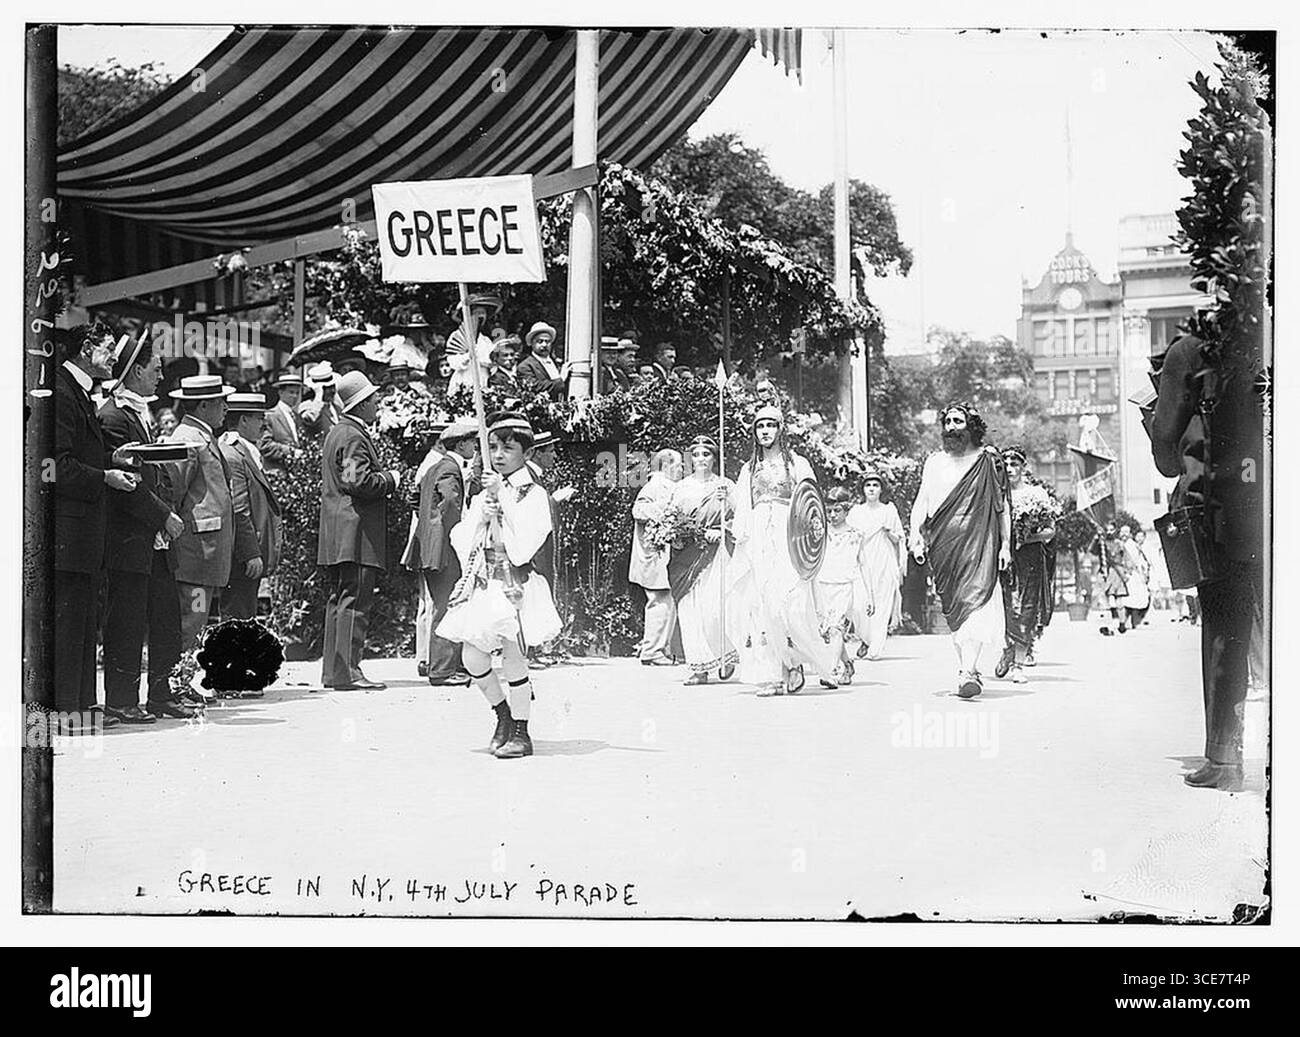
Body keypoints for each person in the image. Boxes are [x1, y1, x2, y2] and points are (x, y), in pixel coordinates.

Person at [1151, 331, 1264, 791]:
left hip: (1223, 504)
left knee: (1226, 623)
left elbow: (1165, 450)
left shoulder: (1192, 348)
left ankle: (1224, 754)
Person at [438, 412, 562, 759]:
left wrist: (503, 504)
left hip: (515, 584)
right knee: (473, 657)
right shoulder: (484, 493)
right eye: (493, 447)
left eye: (509, 447)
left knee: (513, 657)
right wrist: (482, 513)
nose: (500, 454)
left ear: (528, 452)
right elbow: (460, 538)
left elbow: (525, 547)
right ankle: (502, 715)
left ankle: (522, 731)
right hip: (485, 581)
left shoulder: (533, 494)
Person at [98, 332, 194, 723]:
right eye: (155, 369)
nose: (160, 376)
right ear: (135, 371)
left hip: (151, 537)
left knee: (164, 615)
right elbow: (127, 486)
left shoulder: (137, 411)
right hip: (130, 536)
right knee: (127, 620)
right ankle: (121, 700)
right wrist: (164, 516)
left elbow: (153, 473)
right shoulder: (112, 416)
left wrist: (167, 510)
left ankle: (161, 693)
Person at [53, 326, 142, 726]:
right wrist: (104, 476)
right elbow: (53, 466)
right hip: (68, 534)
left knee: (83, 624)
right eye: (108, 349)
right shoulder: (62, 392)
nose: (113, 357)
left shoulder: (79, 391)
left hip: (83, 535)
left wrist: (113, 457)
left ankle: (81, 708)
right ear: (87, 349)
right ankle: (66, 711)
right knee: (69, 625)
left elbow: (81, 454)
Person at [727, 405, 839, 695]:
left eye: (770, 425)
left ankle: (797, 661)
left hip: (789, 536)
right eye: (760, 426)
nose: (765, 431)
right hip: (759, 539)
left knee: (792, 603)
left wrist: (809, 541)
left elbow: (811, 506)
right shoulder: (748, 469)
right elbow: (741, 507)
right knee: (764, 606)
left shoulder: (797, 464)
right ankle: (775, 673)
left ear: (780, 430)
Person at [908, 403, 1011, 698]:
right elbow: (922, 501)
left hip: (981, 544)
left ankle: (967, 670)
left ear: (972, 426)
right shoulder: (934, 462)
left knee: (977, 603)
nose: (952, 426)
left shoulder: (987, 460)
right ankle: (969, 668)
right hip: (943, 547)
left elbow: (1001, 508)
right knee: (955, 611)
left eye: (958, 420)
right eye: (948, 421)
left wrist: (1005, 545)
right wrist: (915, 532)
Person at [318, 371, 402, 691]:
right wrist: (391, 479)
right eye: (374, 399)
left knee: (340, 600)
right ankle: (349, 671)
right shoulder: (352, 436)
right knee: (354, 600)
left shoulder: (340, 433)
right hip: (355, 532)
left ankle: (335, 671)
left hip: (341, 532)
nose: (378, 404)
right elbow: (357, 481)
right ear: (362, 404)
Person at [161, 374, 238, 671]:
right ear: (204, 405)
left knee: (197, 615)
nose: (225, 409)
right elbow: (174, 491)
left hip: (203, 550)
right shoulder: (189, 438)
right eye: (222, 402)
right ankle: (179, 680)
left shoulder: (201, 436)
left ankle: (185, 679)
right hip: (195, 551)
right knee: (191, 618)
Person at [401, 421, 471, 687]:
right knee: (447, 604)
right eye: (472, 443)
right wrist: (460, 535)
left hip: (430, 546)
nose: (475, 447)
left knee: (442, 603)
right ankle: (442, 669)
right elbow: (451, 504)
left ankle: (446, 664)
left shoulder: (436, 466)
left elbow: (414, 499)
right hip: (444, 548)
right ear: (461, 444)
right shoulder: (450, 469)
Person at [668, 436, 737, 685]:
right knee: (689, 611)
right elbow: (671, 519)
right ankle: (698, 668)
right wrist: (674, 534)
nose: (701, 460)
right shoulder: (681, 487)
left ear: (714, 458)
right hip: (687, 555)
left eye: (706, 454)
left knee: (714, 609)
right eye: (696, 455)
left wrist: (723, 528)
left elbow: (740, 518)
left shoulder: (726, 485)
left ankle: (726, 655)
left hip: (716, 553)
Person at [993, 448, 1056, 684]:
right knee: (1006, 608)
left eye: (1014, 464)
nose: (1009, 468)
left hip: (1030, 558)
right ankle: (1008, 648)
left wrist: (1026, 536)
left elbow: (1050, 531)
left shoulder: (1036, 494)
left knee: (1027, 609)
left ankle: (1018, 664)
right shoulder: (996, 494)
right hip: (1003, 557)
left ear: (1023, 467)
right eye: (1005, 464)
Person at [218, 393, 283, 623]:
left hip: (245, 549)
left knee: (245, 614)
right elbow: (239, 509)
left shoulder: (243, 451)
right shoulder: (234, 454)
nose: (263, 424)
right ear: (243, 420)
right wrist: (250, 553)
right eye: (259, 418)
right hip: (241, 553)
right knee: (239, 614)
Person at [816, 486, 876, 685]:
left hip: (844, 588)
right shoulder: (820, 533)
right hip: (822, 586)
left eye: (837, 510)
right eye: (829, 510)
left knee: (836, 630)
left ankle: (831, 672)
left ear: (846, 510)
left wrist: (870, 596)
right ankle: (847, 664)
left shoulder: (856, 535)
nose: (832, 515)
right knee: (827, 632)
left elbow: (865, 566)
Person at [629, 449, 683, 666]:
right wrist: (666, 511)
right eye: (678, 465)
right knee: (660, 602)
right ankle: (652, 650)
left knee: (665, 602)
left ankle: (659, 648)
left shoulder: (665, 486)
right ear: (666, 466)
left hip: (660, 556)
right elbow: (638, 510)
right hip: (654, 556)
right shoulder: (655, 486)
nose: (681, 470)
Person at [847, 469, 907, 660]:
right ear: (862, 489)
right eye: (868, 485)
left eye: (875, 485)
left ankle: (876, 647)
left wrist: (888, 531)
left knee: (882, 604)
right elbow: (847, 535)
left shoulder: (889, 510)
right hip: (863, 561)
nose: (871, 489)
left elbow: (898, 538)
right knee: (859, 605)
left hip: (884, 560)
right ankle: (866, 637)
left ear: (881, 489)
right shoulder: (856, 512)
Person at [445, 293, 501, 396]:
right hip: (464, 378)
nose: (480, 316)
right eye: (477, 313)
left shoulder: (486, 340)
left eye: (483, 313)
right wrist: (467, 357)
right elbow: (452, 362)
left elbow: (492, 363)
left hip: (483, 379)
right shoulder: (456, 336)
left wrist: (492, 365)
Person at [261, 370, 303, 471]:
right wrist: (291, 452)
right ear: (281, 392)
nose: (295, 396)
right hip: (277, 472)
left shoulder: (297, 417)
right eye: (291, 392)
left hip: (295, 472)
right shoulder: (270, 416)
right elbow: (265, 445)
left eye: (297, 393)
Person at [516, 321, 569, 399]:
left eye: (547, 341)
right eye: (540, 341)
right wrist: (561, 380)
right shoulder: (525, 366)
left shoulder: (555, 363)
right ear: (532, 343)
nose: (544, 345)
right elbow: (536, 387)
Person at [1117, 524, 1150, 628]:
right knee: (1125, 600)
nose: (1124, 534)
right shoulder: (1120, 544)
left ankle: (1134, 621)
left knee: (1133, 598)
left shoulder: (1132, 545)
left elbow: (1137, 561)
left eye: (1126, 532)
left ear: (1130, 534)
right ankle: (1125, 621)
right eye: (1122, 532)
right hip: (1123, 574)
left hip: (1133, 575)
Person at [297, 362, 340, 437]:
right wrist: (318, 397)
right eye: (328, 388)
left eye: (333, 387)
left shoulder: (336, 407)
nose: (333, 391)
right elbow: (310, 420)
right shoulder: (307, 406)